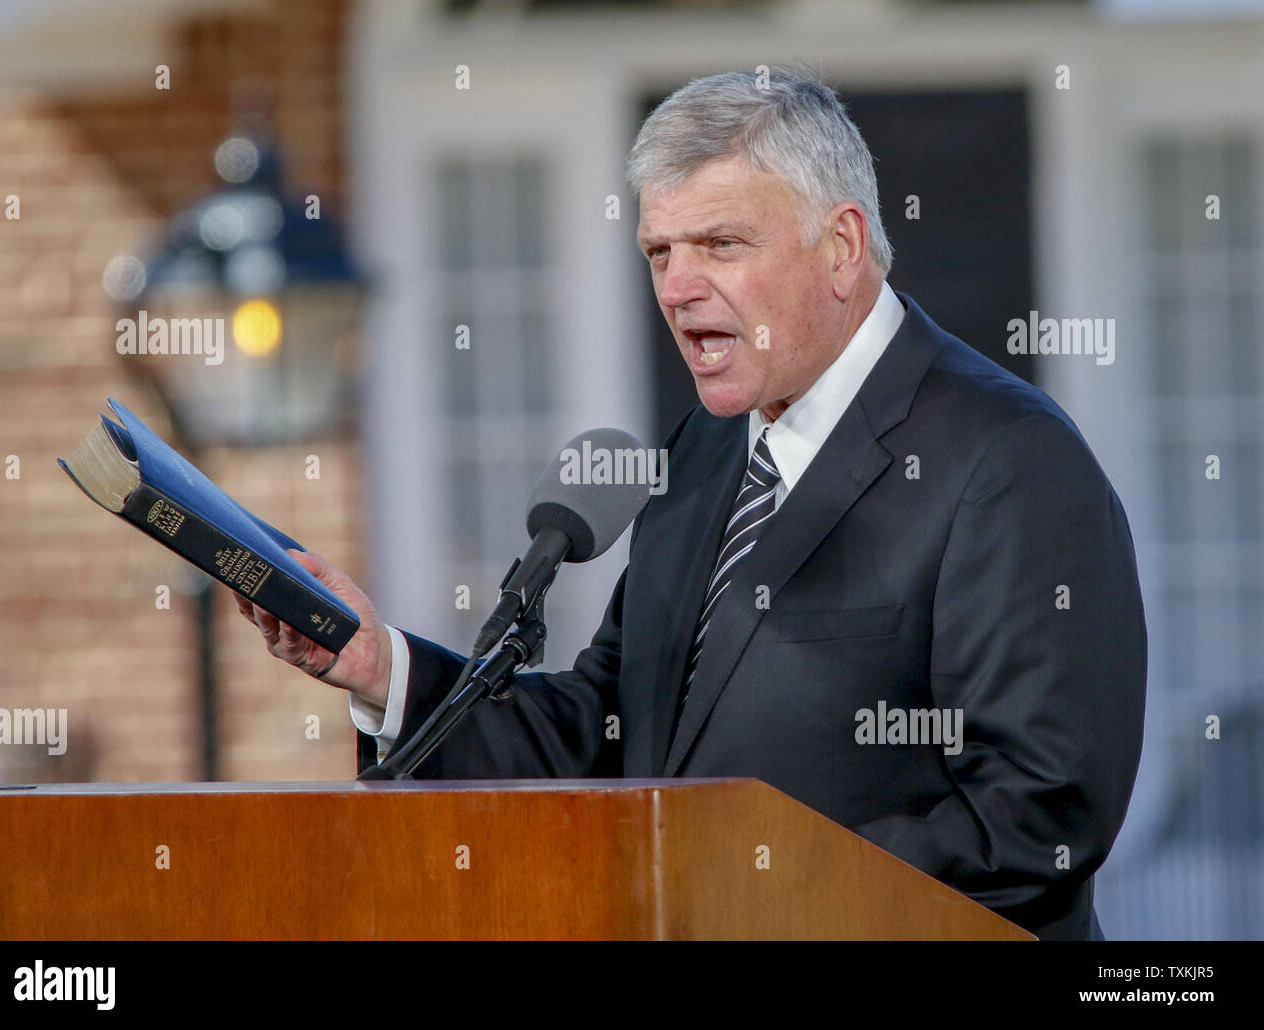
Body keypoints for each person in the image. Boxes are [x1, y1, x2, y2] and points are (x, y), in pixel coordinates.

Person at [236, 69, 1146, 941]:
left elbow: (1035, 817)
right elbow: (605, 733)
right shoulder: (706, 451)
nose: (676, 288)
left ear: (841, 248)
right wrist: (378, 667)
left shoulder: (1008, 460)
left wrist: (740, 893)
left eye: (720, 245)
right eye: (659, 252)